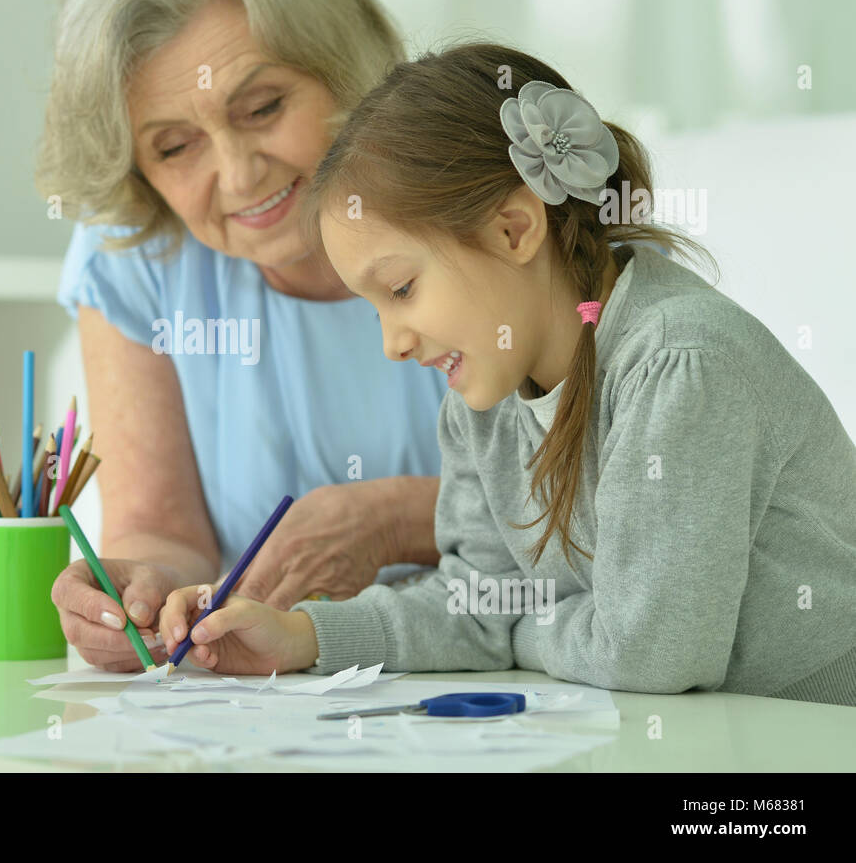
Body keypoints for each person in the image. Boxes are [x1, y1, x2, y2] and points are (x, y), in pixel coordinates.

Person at [158, 42, 856, 705]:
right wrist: (300, 636)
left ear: (515, 230)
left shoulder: (680, 365)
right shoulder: (482, 400)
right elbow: (476, 603)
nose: (392, 343)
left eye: (400, 289)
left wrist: (522, 628)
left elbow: (653, 655)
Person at [39, 0, 448, 671]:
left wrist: (396, 520)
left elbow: (605, 506)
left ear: (345, 69)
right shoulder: (135, 254)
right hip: (270, 696)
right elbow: (160, 527)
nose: (238, 173)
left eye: (263, 108)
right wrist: (141, 586)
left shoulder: (476, 203)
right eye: (175, 146)